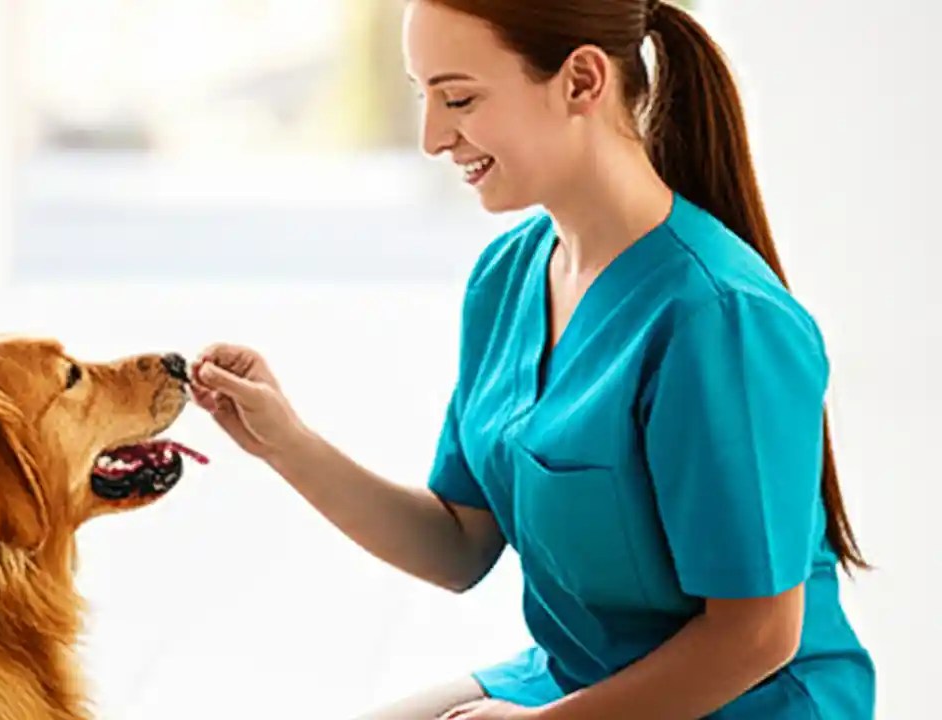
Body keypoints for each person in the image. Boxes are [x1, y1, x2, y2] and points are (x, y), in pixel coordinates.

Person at [189, 0, 875, 717]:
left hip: (743, 700)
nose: (432, 138)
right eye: (424, 97)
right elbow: (458, 545)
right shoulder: (508, 277)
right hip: (576, 680)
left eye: (460, 99)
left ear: (581, 81)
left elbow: (757, 637)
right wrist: (285, 441)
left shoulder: (720, 318)